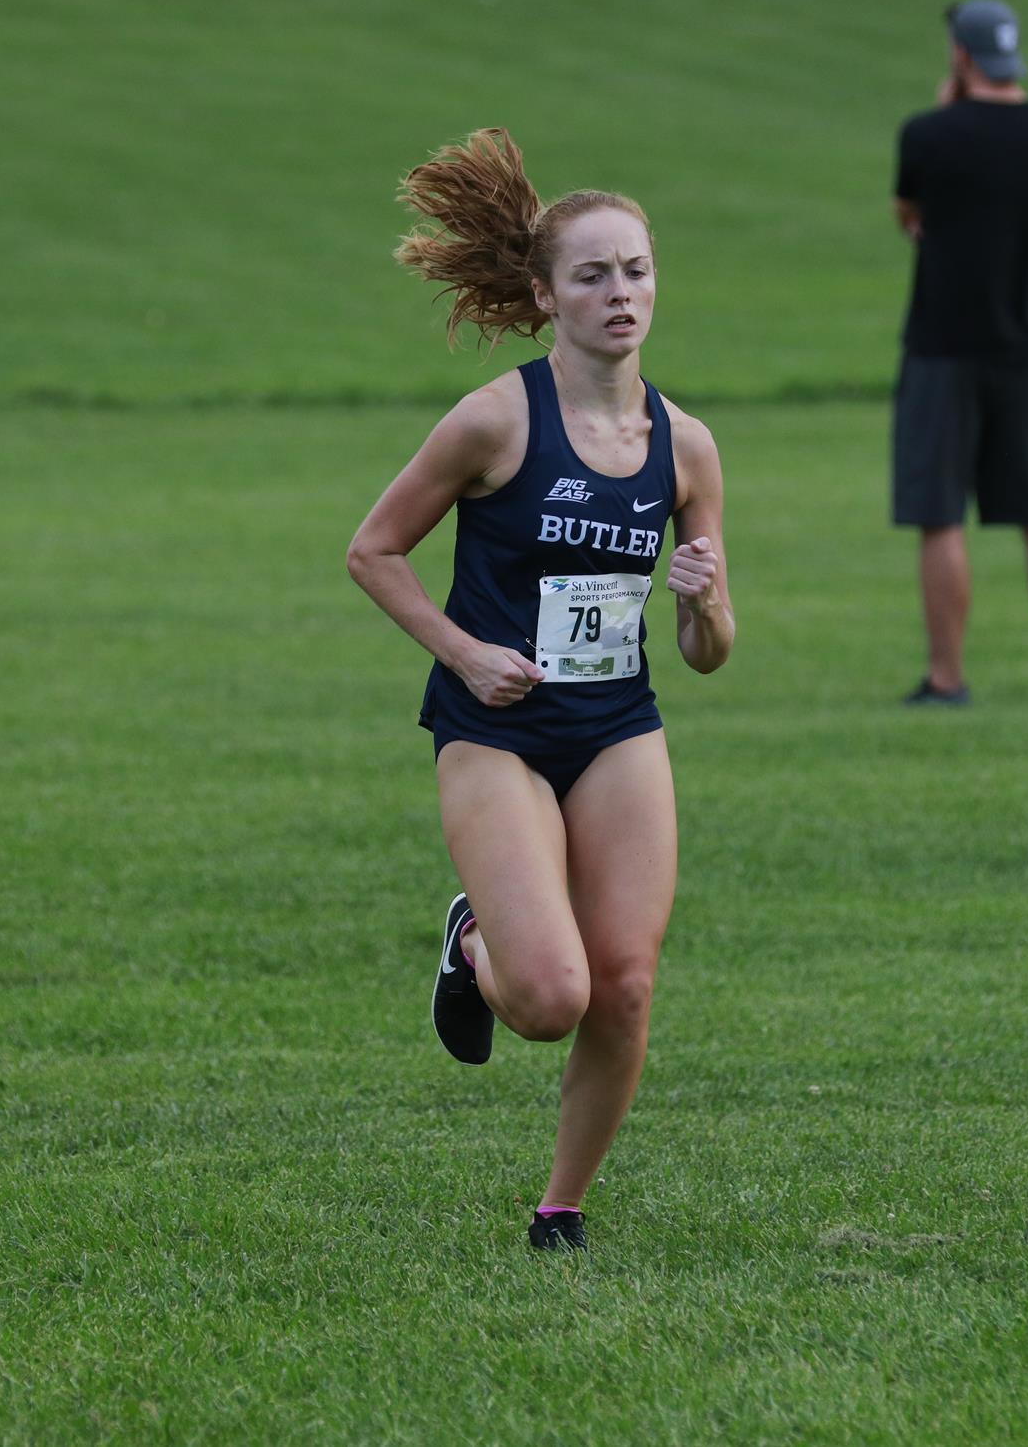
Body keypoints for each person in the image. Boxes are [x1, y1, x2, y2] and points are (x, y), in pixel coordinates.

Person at [347, 129, 735, 1251]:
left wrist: (700, 601)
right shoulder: (495, 420)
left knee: (622, 982)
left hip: (616, 725)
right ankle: (474, 940)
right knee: (549, 995)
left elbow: (711, 654)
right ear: (544, 292)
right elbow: (372, 551)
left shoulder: (688, 446)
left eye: (638, 270)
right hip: (496, 729)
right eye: (594, 274)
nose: (622, 294)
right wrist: (465, 653)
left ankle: (559, 1205)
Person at [890, 0, 1028, 706]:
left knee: (940, 514)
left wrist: (946, 109)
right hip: (1024, 350)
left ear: (961, 56)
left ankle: (947, 678)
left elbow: (910, 220)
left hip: (941, 348)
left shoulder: (928, 135)